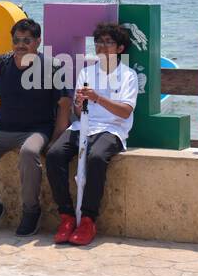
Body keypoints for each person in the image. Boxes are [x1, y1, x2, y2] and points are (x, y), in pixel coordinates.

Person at [0, 19, 71, 236]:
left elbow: (64, 106)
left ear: (38, 42)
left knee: (29, 152)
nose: (20, 45)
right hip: (2, 129)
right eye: (16, 40)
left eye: (27, 40)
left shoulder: (53, 66)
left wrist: (55, 140)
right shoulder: (1, 64)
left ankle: (31, 211)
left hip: (36, 131)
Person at [45, 22, 137, 247]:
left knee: (96, 158)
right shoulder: (87, 72)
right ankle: (67, 216)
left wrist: (97, 98)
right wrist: (79, 104)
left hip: (111, 129)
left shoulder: (127, 75)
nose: (103, 46)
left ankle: (88, 219)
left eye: (109, 42)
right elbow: (79, 111)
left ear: (120, 48)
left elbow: (125, 111)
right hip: (83, 127)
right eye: (99, 42)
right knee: (54, 154)